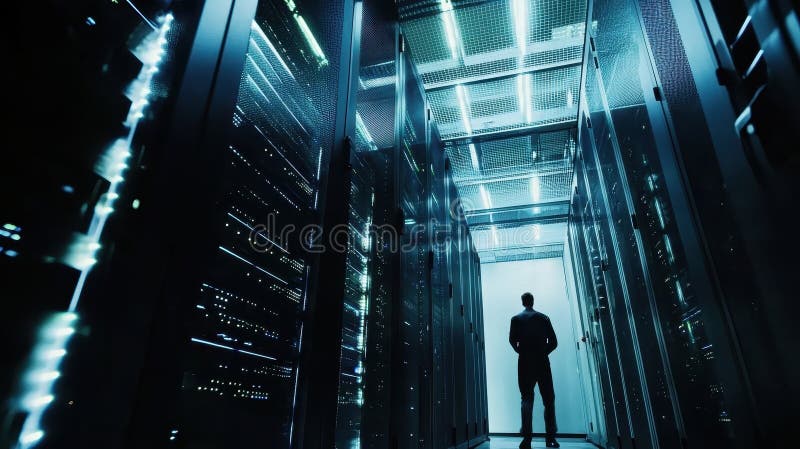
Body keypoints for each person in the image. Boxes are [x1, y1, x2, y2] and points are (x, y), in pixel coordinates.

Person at [509, 292, 559, 449]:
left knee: (526, 399)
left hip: (524, 363)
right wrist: (544, 352)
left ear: (523, 302)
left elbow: (512, 340)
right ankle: (550, 439)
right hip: (542, 362)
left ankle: (526, 440)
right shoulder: (544, 318)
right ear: (533, 301)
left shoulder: (516, 319)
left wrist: (521, 352)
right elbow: (554, 342)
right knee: (549, 400)